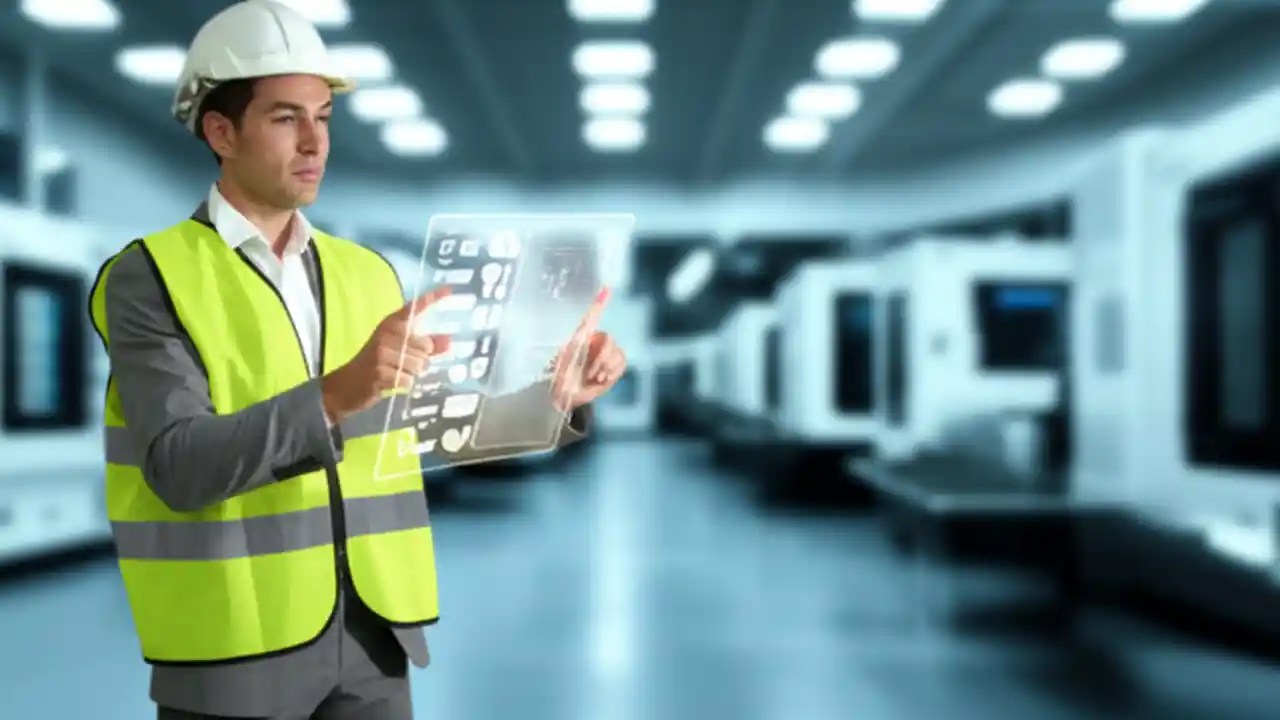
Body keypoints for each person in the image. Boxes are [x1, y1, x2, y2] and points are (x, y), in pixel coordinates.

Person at [86, 1, 628, 718]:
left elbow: (419, 436)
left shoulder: (366, 274)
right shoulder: (150, 276)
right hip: (236, 645)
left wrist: (551, 398)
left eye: (323, 116)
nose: (315, 142)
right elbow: (179, 467)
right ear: (221, 131)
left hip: (374, 640)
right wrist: (335, 395)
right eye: (285, 118)